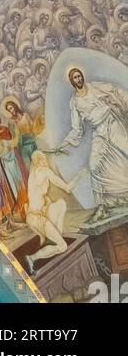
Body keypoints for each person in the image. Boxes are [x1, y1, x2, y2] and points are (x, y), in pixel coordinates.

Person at [52, 66, 128, 222]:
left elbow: (114, 89)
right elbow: (76, 130)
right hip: (99, 132)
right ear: (72, 82)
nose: (78, 80)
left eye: (79, 76)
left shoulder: (94, 87)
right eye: (75, 78)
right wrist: (63, 145)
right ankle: (103, 206)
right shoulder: (75, 103)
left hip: (112, 123)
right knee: (93, 166)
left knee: (126, 150)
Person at [25, 151, 76, 270]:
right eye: (44, 159)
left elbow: (40, 199)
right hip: (37, 219)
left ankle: (56, 237)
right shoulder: (43, 171)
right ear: (41, 160)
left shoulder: (33, 174)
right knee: (63, 246)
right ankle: (32, 258)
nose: (46, 162)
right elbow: (67, 188)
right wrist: (80, 176)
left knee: (61, 203)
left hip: (33, 217)